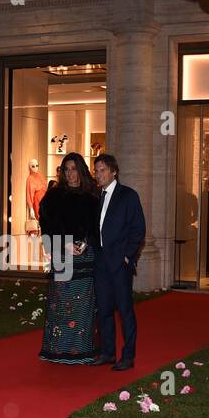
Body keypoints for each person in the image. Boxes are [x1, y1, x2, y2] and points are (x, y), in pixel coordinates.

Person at [37, 153, 100, 364]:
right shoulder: (54, 197)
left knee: (84, 306)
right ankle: (57, 350)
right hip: (62, 254)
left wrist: (85, 244)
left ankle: (82, 350)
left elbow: (97, 228)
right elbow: (45, 224)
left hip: (85, 256)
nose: (70, 173)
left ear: (81, 170)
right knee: (61, 303)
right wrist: (63, 244)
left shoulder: (93, 196)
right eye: (67, 169)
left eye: (74, 169)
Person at [92, 154, 145, 371]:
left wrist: (128, 255)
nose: (99, 174)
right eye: (96, 170)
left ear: (114, 172)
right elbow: (96, 229)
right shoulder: (98, 197)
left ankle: (128, 356)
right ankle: (108, 352)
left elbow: (138, 229)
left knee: (125, 311)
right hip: (101, 262)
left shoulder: (128, 196)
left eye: (102, 170)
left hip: (119, 263)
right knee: (103, 310)